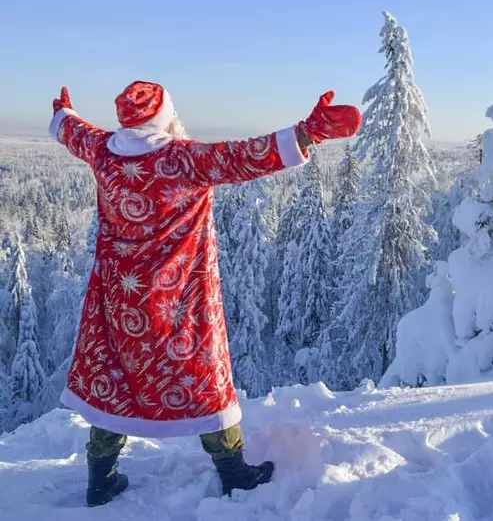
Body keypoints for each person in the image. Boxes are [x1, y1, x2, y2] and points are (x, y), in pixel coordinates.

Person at [49, 81, 361, 507]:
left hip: (120, 299)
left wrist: (64, 116)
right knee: (204, 376)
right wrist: (308, 132)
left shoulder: (105, 152)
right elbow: (247, 155)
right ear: (164, 117)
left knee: (115, 378)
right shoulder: (182, 160)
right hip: (180, 300)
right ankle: (233, 471)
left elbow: (75, 134)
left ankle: (100, 478)